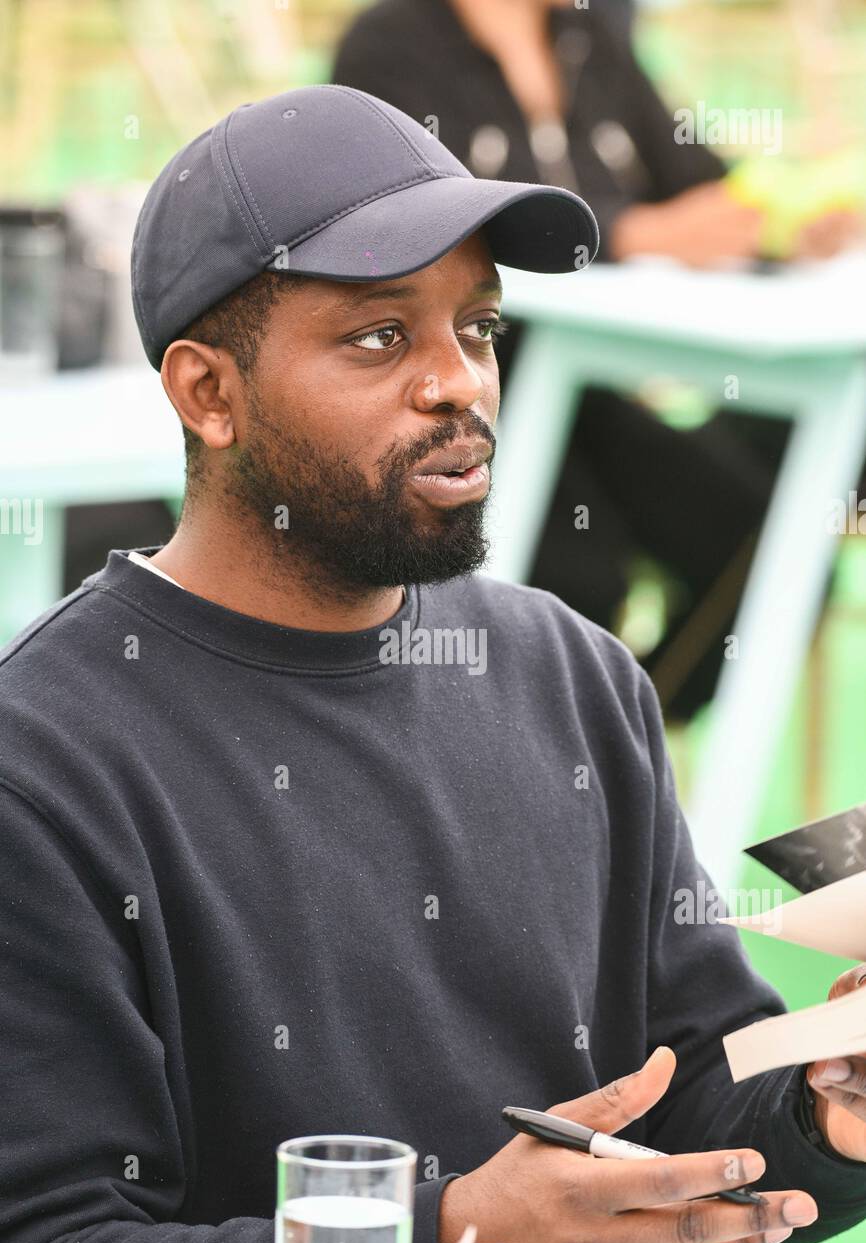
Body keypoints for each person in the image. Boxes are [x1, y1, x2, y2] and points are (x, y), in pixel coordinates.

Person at [1, 84, 865, 1243]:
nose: (457, 383)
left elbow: (687, 1110)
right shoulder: (44, 765)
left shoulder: (573, 677)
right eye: (377, 337)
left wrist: (830, 1113)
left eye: (479, 329)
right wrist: (441, 1238)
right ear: (208, 394)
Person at [331, 0, 863, 720]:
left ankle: (627, 731)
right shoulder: (390, 44)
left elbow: (697, 180)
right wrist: (633, 233)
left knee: (769, 535)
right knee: (574, 575)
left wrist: (777, 226)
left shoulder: (587, 35)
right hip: (470, 389)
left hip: (602, 386)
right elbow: (413, 226)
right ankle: (567, 754)